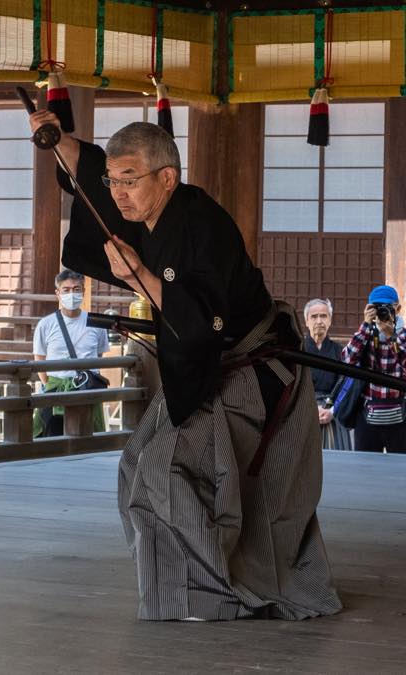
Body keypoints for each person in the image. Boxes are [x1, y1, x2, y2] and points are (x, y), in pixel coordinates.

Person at [28, 112, 341, 621]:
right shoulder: (145, 209)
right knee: (137, 465)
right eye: (114, 180)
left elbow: (200, 323)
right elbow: (87, 179)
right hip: (208, 363)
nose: (118, 193)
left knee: (165, 468)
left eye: (129, 180)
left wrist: (142, 277)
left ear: (166, 177)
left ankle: (212, 591)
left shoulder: (201, 226)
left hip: (247, 373)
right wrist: (59, 139)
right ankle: (181, 589)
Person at [342, 285, 406, 454]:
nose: (382, 312)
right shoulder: (365, 335)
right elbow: (347, 361)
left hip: (400, 412)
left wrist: (392, 338)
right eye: (377, 307)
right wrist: (365, 326)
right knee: (366, 472)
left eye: (387, 307)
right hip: (368, 413)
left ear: (398, 309)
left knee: (403, 472)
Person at [32, 270, 110, 437]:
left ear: (83, 291)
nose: (71, 294)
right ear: (58, 293)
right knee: (50, 438)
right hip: (56, 388)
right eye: (66, 290)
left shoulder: (97, 323)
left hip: (86, 388)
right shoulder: (46, 324)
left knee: (89, 437)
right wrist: (51, 383)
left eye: (76, 289)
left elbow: (98, 357)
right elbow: (39, 360)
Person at [303, 298, 351, 451]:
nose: (319, 321)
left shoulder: (340, 351)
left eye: (323, 316)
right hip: (303, 410)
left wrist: (331, 410)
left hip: (330, 412)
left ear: (330, 320)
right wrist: (310, 407)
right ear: (306, 321)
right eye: (314, 316)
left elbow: (346, 385)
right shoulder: (297, 349)